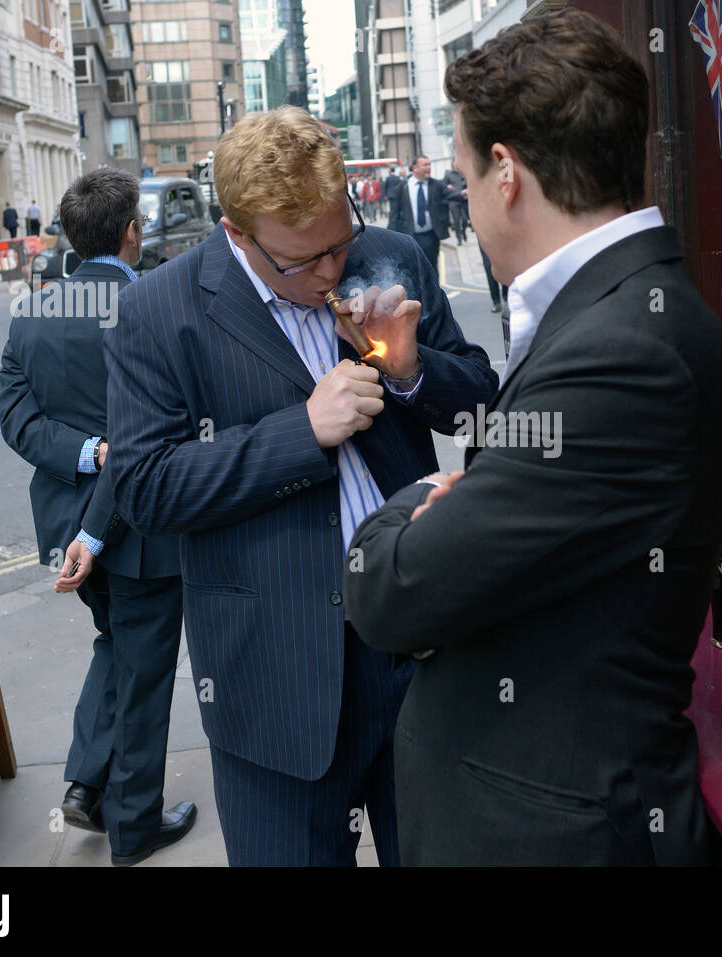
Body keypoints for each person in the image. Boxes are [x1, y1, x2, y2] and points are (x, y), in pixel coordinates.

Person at [344, 8, 722, 866]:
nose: (466, 204)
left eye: (462, 178)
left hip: (547, 831)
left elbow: (391, 591)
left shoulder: (623, 348)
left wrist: (410, 507)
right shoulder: (609, 309)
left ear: (506, 171)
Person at [102, 106, 498, 866]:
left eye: (338, 243)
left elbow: (483, 400)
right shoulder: (159, 312)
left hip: (419, 650)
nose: (329, 271)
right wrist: (300, 431)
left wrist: (412, 370)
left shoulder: (390, 257)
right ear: (236, 232)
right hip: (272, 683)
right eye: (303, 260)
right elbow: (144, 489)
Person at [0, 167, 196, 867]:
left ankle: (87, 780)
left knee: (117, 642)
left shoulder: (31, 315)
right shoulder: (153, 305)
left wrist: (83, 452)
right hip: (139, 527)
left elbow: (15, 419)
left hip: (65, 526)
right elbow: (146, 438)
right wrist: (107, 456)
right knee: (143, 671)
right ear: (132, 232)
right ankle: (134, 824)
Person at [387, 154, 448, 271]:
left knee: (432, 270)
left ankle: (433, 290)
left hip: (431, 237)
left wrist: (463, 193)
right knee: (413, 270)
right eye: (425, 165)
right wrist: (390, 237)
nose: (429, 167)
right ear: (415, 168)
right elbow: (394, 214)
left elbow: (450, 194)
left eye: (429, 164)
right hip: (410, 237)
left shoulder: (436, 185)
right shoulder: (401, 187)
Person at [443, 168, 468, 244]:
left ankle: (463, 232)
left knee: (465, 220)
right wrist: (447, 186)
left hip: (463, 200)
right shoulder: (448, 174)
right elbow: (443, 186)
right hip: (453, 201)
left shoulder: (462, 173)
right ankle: (459, 239)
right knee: (456, 221)